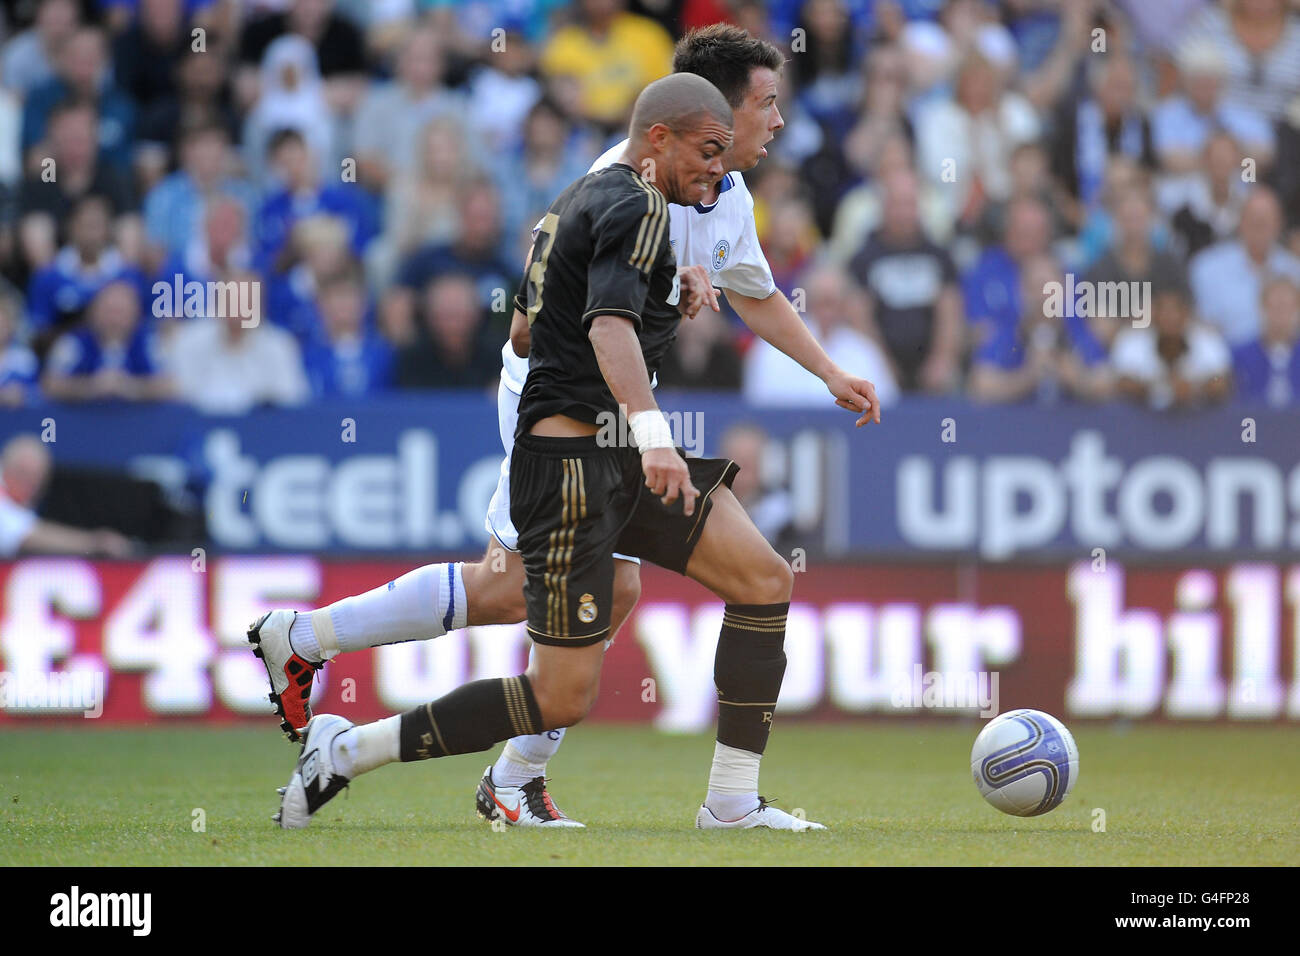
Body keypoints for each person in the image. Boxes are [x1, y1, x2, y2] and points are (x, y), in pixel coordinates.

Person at [251, 26, 880, 829]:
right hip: (570, 420)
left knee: (736, 582)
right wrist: (651, 370)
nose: (777, 121)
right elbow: (544, 329)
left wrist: (825, 370)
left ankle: (721, 800)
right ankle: (317, 648)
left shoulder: (712, 190)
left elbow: (750, 287)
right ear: (692, 119)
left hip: (624, 420)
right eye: (765, 104)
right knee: (515, 593)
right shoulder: (619, 193)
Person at [0, 434, 133, 558]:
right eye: (22, 472)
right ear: (6, 467)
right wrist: (96, 542)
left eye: (37, 477)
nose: (30, 483)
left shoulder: (20, 505)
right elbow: (28, 535)